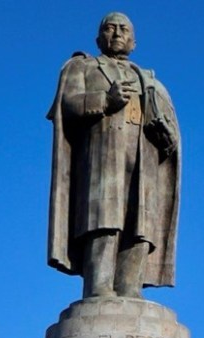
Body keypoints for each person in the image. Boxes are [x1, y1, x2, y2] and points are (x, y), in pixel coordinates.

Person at [47, 12, 180, 299]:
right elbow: (67, 105)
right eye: (110, 28)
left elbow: (171, 129)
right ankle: (99, 287)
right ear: (99, 38)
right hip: (103, 155)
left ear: (134, 41)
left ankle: (130, 289)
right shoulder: (82, 67)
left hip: (144, 159)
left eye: (124, 30)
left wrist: (168, 138)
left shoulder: (150, 80)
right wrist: (107, 100)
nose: (117, 33)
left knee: (140, 226)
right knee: (103, 220)